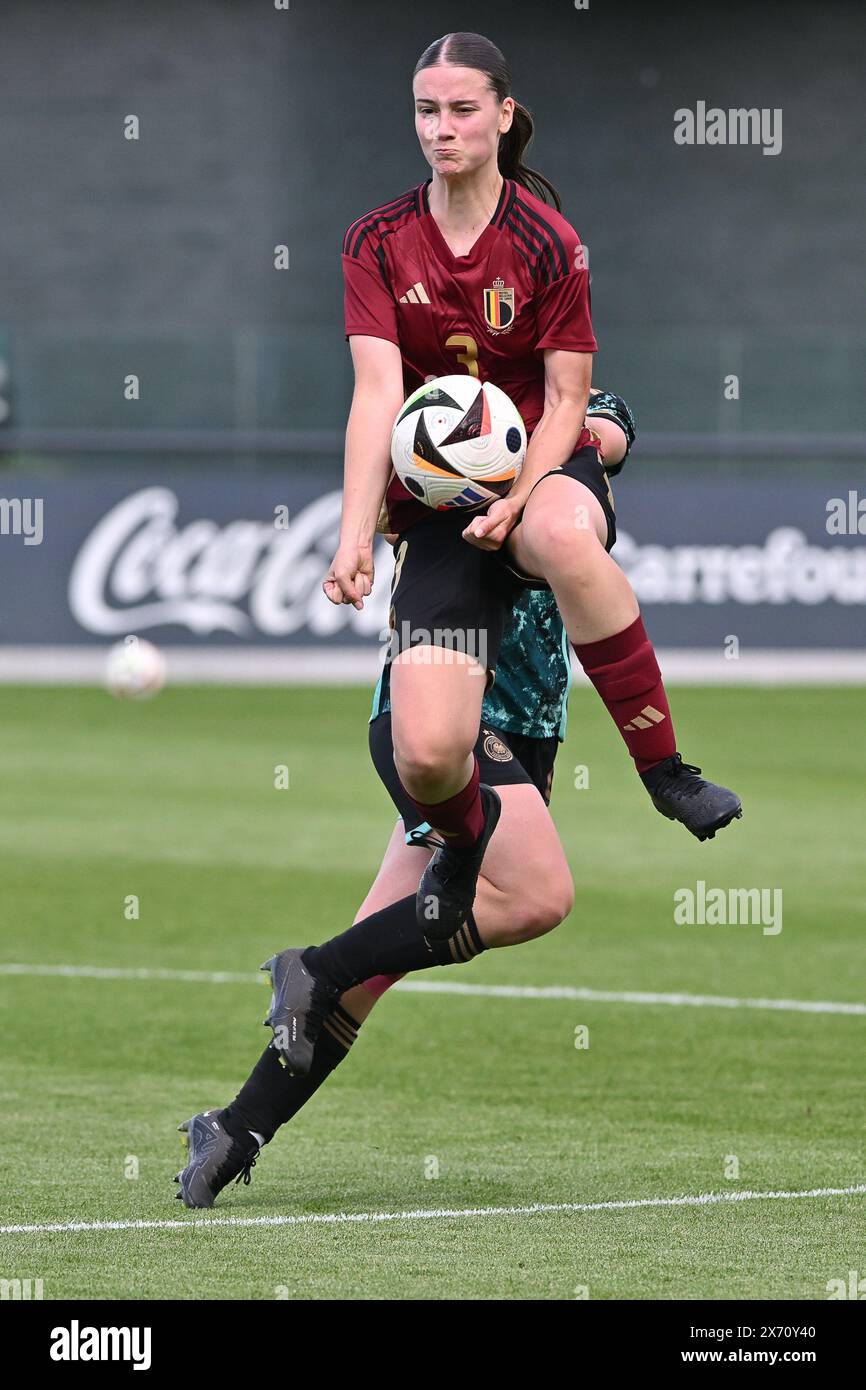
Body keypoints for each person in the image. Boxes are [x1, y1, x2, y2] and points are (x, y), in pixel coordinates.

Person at [175, 398, 633, 1208]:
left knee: (375, 969)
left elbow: (611, 419)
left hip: (528, 726)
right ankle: (309, 967)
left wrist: (595, 435)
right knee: (536, 897)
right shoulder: (436, 435)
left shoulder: (546, 420)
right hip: (451, 722)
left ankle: (236, 1126)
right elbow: (397, 457)